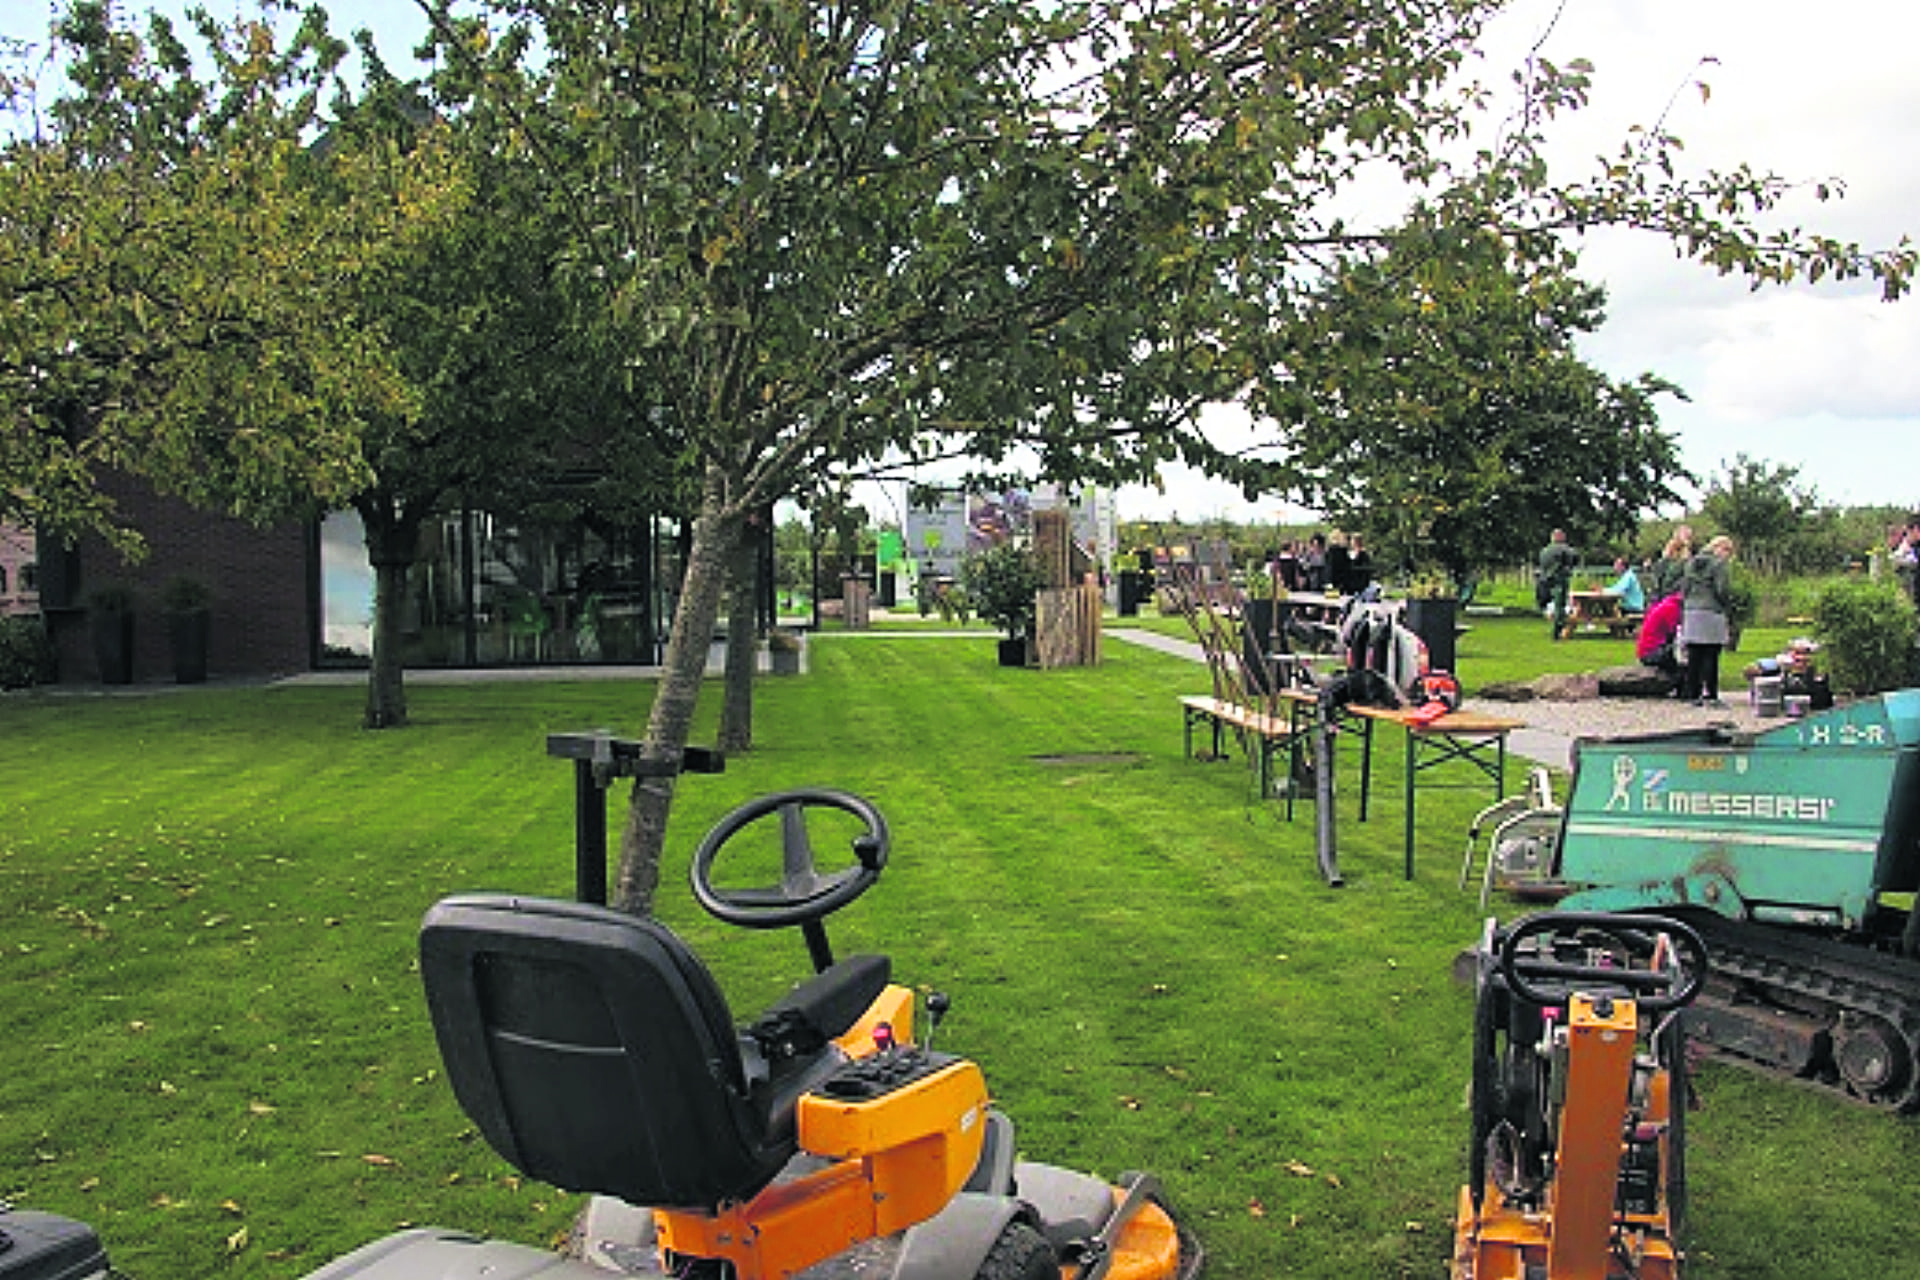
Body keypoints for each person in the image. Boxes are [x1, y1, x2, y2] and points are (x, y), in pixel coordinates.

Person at [1678, 534, 1737, 705]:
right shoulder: (1719, 565)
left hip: (1692, 610)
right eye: (1728, 551)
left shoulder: (1690, 563)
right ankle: (1711, 694)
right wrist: (1726, 604)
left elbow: (1684, 587)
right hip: (1711, 611)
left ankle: (1692, 693)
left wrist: (1688, 603)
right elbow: (1722, 589)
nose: (1728, 556)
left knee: (1694, 655)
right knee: (1711, 654)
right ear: (1721, 548)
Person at [1535, 529, 1579, 640]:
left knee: (1549, 604)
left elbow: (1542, 565)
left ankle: (1558, 626)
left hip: (1544, 582)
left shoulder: (1544, 551)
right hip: (1559, 579)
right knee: (1560, 605)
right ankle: (1558, 630)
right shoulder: (1565, 549)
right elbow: (1574, 559)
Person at [1635, 591, 1683, 683]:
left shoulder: (1667, 604)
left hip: (1648, 650)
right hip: (1651, 651)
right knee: (1683, 664)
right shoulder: (1672, 608)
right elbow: (1675, 632)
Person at [1647, 525, 1694, 605]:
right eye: (1686, 536)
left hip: (1675, 598)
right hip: (1667, 599)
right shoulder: (1667, 559)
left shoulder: (1687, 560)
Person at [1324, 533, 1352, 597]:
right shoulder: (1339, 551)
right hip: (1338, 581)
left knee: (1332, 601)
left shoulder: (1330, 551)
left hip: (1333, 581)